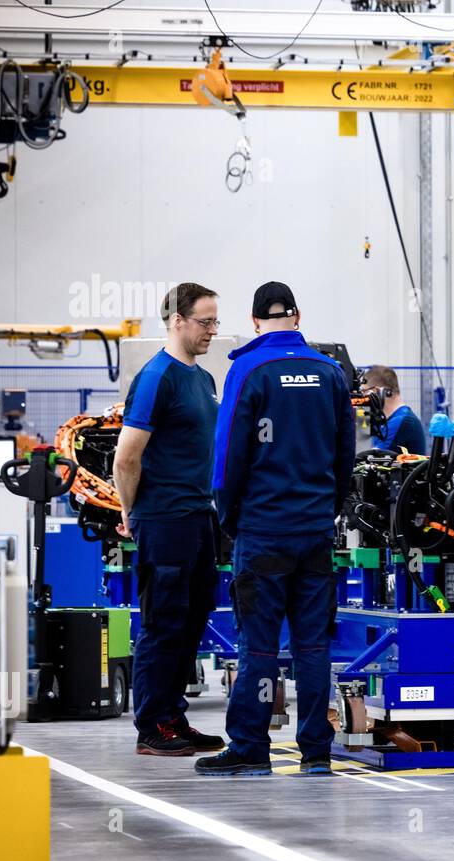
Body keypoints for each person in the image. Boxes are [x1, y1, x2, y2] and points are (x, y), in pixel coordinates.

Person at [196, 281, 356, 776]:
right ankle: (315, 753)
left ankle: (250, 748)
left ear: (254, 320)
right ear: (298, 316)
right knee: (313, 645)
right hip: (313, 532)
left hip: (262, 531)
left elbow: (226, 459)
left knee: (258, 645)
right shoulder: (331, 373)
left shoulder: (247, 369)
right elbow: (345, 454)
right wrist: (324, 509)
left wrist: (230, 518)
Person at [112, 282, 226, 757]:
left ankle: (173, 715)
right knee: (164, 621)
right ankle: (152, 726)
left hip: (199, 516)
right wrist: (130, 511)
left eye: (216, 322)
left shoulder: (201, 378)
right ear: (177, 321)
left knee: (193, 616)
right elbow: (126, 457)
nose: (212, 331)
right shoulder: (157, 377)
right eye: (205, 322)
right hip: (164, 518)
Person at [364, 365, 426, 455]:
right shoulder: (389, 420)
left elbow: (368, 456)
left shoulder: (402, 421)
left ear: (377, 391)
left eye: (364, 393)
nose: (362, 399)